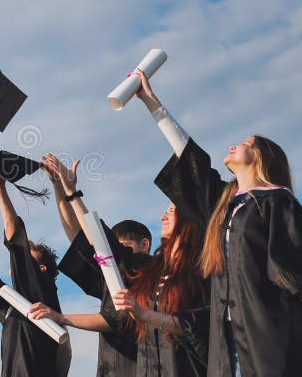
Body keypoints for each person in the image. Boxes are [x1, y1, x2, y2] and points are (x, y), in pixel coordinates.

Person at [132, 70, 302, 376]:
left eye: (246, 143)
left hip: (270, 335)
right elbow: (191, 160)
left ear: (261, 159)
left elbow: (298, 277)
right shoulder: (226, 206)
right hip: (228, 341)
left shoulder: (278, 203)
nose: (235, 145)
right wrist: (152, 103)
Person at [32, 154, 210, 377]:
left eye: (173, 211)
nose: (164, 216)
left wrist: (62, 318)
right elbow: (88, 239)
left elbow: (194, 326)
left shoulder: (198, 273)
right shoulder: (144, 268)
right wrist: (66, 190)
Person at [0, 160, 68, 377]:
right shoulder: (19, 309)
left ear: (42, 269)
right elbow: (0, 291)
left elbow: (15, 238)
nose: (20, 264)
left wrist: (0, 189)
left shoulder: (42, 295)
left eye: (29, 259)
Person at [43, 160, 150, 377]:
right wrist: (59, 188)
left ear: (145, 244)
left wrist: (62, 318)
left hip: (141, 367)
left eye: (124, 248)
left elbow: (112, 320)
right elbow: (77, 237)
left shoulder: (150, 270)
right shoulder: (110, 274)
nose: (116, 257)